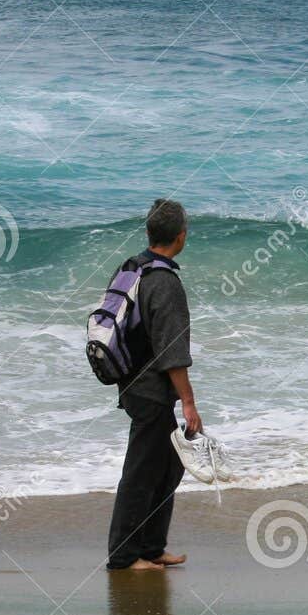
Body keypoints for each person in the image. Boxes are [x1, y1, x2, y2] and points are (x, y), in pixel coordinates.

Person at [105, 198, 203, 571]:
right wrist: (189, 404)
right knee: (141, 473)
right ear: (181, 237)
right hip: (148, 390)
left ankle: (150, 546)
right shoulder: (164, 282)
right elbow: (172, 353)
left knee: (168, 466)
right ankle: (124, 555)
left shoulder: (133, 269)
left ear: (150, 233)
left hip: (131, 382)